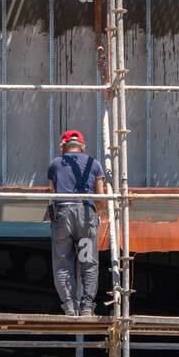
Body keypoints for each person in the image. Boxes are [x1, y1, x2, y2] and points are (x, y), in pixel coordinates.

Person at [47, 129, 106, 316]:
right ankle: (87, 307)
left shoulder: (55, 164)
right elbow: (101, 196)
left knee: (63, 263)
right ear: (83, 146)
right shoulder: (94, 164)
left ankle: (70, 307)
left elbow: (51, 193)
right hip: (86, 215)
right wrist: (96, 214)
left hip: (63, 214)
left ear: (63, 147)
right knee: (88, 262)